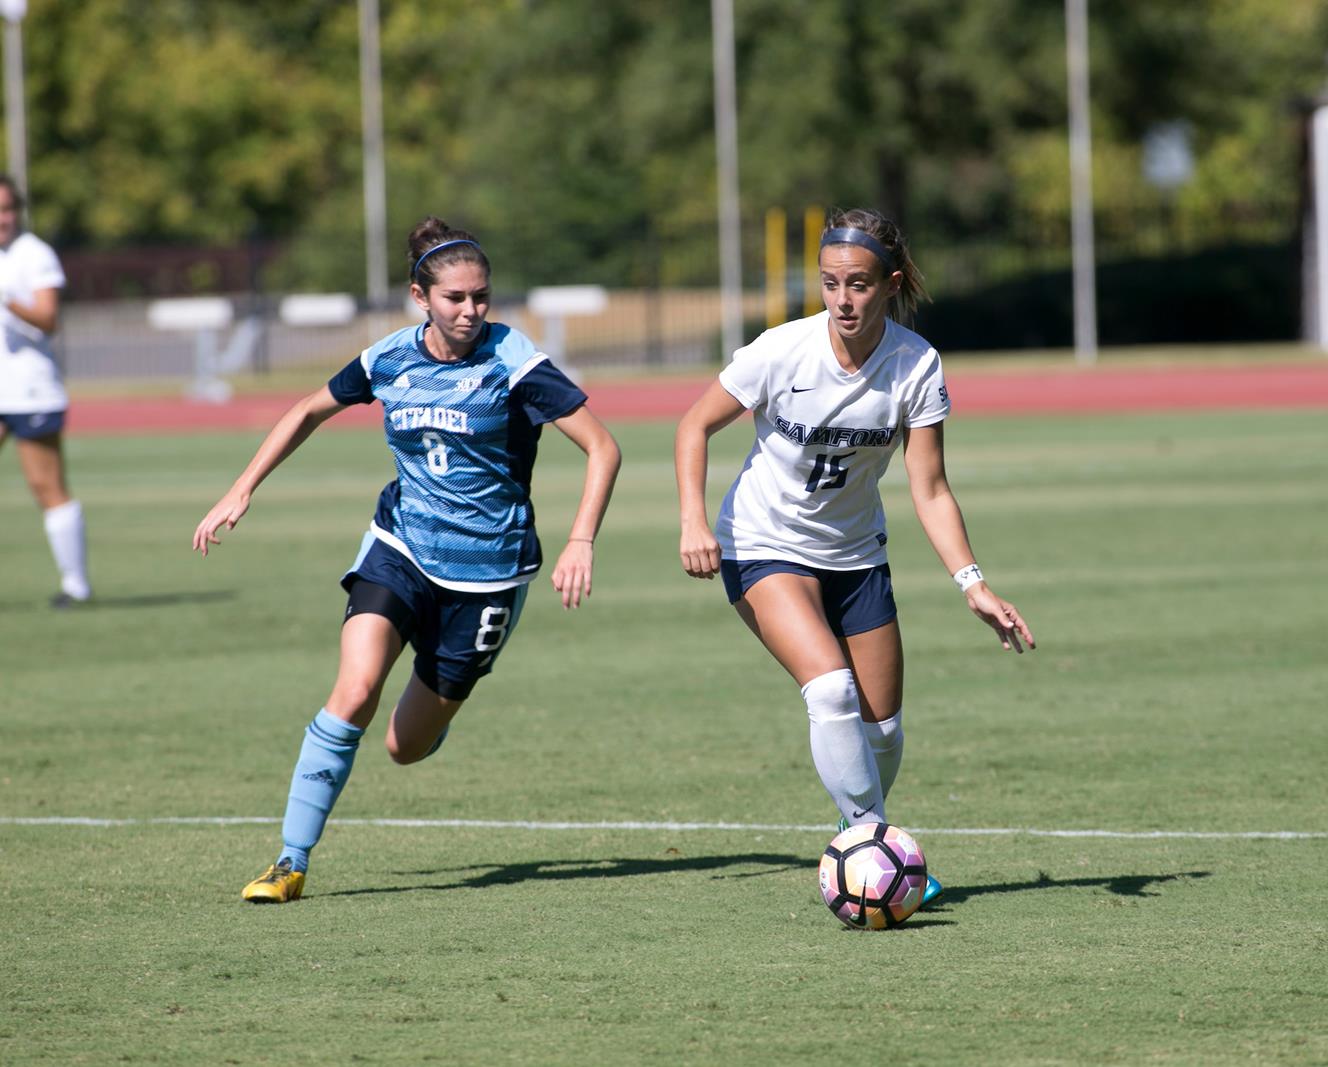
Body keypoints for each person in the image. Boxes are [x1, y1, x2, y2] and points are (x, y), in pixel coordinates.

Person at [194, 217, 622, 903]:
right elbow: (307, 410)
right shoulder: (389, 358)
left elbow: (603, 447)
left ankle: (433, 720)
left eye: (481, 296)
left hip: (489, 572)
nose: (471, 310)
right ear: (420, 297)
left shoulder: (514, 361)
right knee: (355, 690)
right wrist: (241, 489)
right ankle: (289, 861)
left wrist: (581, 539)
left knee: (403, 746)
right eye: (455, 298)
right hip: (400, 548)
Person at [675, 207, 1035, 905]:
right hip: (763, 543)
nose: (842, 299)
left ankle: (857, 828)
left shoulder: (916, 363)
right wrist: (693, 521)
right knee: (831, 691)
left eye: (860, 284)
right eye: (830, 282)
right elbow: (693, 426)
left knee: (884, 731)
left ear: (890, 284)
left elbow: (930, 488)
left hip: (856, 555)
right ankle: (874, 852)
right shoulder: (782, 349)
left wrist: (973, 582)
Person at [0, 175, 90, 608]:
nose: (1, 219)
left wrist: (8, 300)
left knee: (45, 485)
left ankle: (75, 584)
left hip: (31, 391)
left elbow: (48, 318)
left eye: (5, 209)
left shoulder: (33, 254)